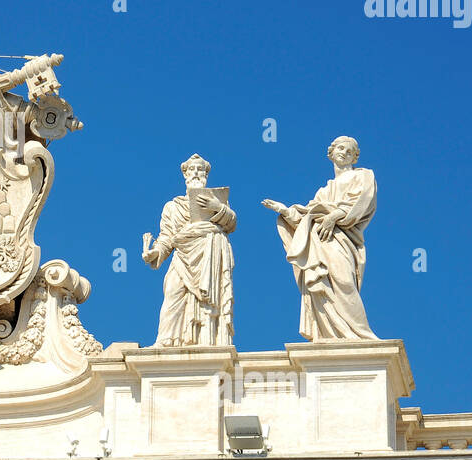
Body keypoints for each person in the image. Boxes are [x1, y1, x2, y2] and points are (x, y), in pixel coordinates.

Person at [261, 136, 379, 341]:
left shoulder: (364, 176)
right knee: (323, 286)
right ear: (331, 152)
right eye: (340, 148)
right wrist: (284, 210)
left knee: (344, 282)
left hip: (342, 239)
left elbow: (362, 203)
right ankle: (330, 334)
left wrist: (334, 216)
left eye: (349, 151)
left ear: (355, 157)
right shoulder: (323, 192)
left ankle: (361, 335)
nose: (344, 152)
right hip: (320, 242)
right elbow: (306, 219)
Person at [142, 154, 236, 348]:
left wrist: (216, 207)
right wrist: (156, 252)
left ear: (206, 174)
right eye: (191, 169)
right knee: (173, 292)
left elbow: (232, 222)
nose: (196, 173)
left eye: (200, 169)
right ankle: (167, 341)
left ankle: (208, 340)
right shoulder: (173, 206)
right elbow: (167, 236)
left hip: (209, 253)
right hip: (182, 255)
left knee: (208, 298)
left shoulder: (217, 200)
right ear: (185, 173)